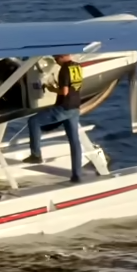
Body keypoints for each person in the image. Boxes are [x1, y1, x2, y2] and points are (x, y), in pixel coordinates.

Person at [23, 53, 85, 183]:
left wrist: (52, 89)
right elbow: (74, 86)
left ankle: (36, 155)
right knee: (74, 142)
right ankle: (77, 175)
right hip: (75, 107)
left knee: (34, 121)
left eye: (56, 58)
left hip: (64, 107)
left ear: (62, 56)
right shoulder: (77, 66)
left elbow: (64, 92)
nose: (55, 60)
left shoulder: (64, 69)